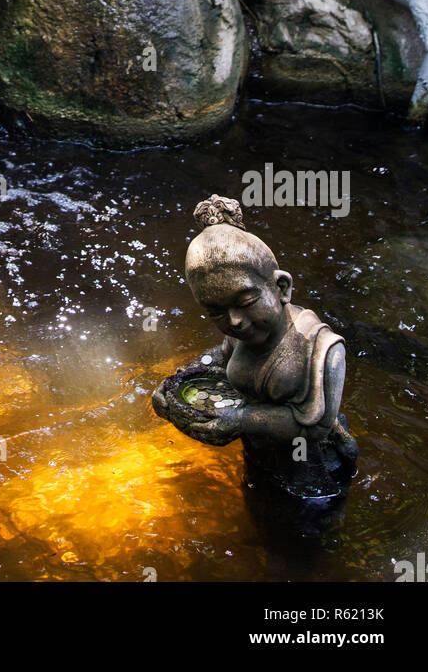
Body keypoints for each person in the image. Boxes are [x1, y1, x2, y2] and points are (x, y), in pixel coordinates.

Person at [153, 194, 357, 494]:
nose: (234, 321)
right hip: (261, 458)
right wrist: (178, 382)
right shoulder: (242, 334)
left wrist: (241, 419)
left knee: (301, 532)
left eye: (246, 302)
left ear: (281, 287)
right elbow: (220, 359)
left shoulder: (321, 349)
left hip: (312, 475)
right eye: (216, 312)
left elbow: (313, 426)